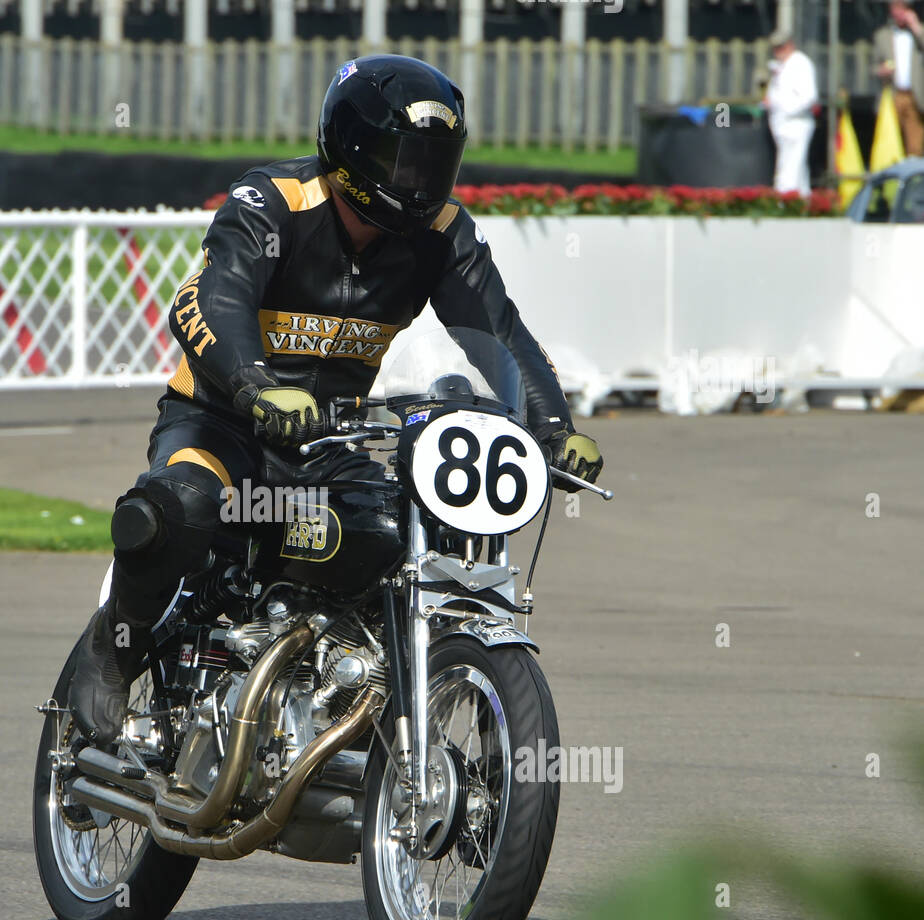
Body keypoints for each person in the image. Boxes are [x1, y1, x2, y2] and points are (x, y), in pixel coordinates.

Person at [67, 54, 604, 747]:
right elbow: (207, 298)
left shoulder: (441, 233)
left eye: (434, 163)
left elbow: (499, 331)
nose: (421, 181)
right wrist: (255, 384)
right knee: (180, 507)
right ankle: (114, 648)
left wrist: (553, 425)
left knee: (391, 537)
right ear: (352, 149)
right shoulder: (275, 202)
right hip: (221, 420)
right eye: (405, 160)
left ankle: (355, 698)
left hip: (334, 441)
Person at [764, 30, 819, 196]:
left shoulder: (800, 64)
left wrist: (785, 110)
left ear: (790, 45)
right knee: (796, 169)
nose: (778, 51)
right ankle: (803, 202)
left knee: (789, 169)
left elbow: (809, 97)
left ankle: (785, 203)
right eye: (776, 48)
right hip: (782, 124)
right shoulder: (781, 66)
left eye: (782, 47)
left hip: (796, 123)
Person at [874, 0, 924, 157]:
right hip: (893, 95)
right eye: (896, 7)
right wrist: (881, 71)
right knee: (890, 143)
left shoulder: (918, 33)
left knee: (915, 146)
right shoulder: (882, 36)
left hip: (914, 96)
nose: (900, 12)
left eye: (903, 8)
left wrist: (916, 27)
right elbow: (873, 66)